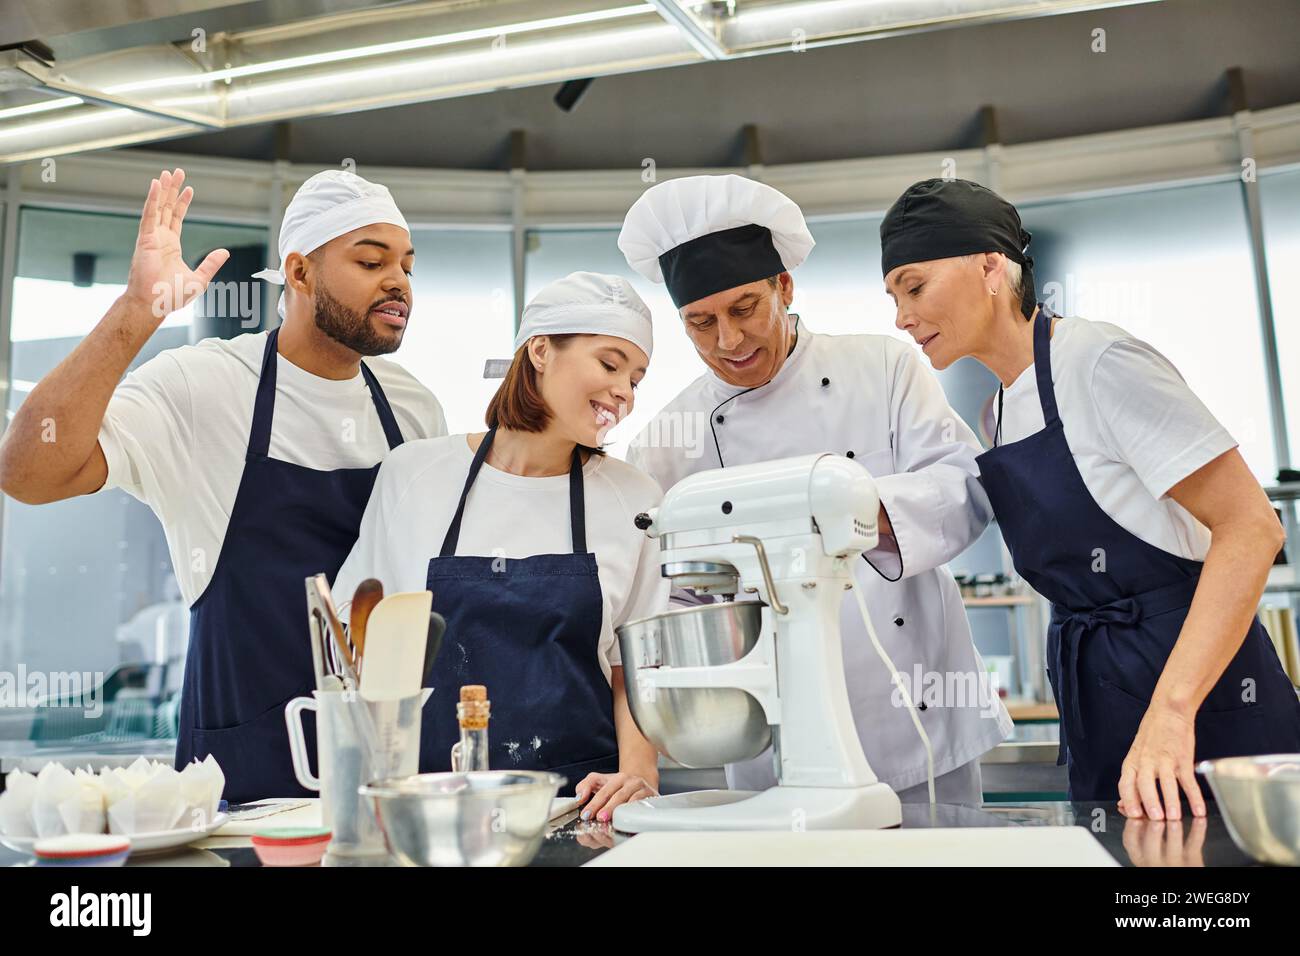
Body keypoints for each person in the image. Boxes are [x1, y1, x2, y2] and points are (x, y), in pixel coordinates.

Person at [0, 168, 447, 802]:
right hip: (242, 793)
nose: (398, 280)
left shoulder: (412, 408)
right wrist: (136, 310)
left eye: (406, 264)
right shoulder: (206, 387)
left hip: (387, 784)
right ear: (299, 273)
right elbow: (27, 472)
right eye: (372, 261)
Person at [879, 176, 1300, 818]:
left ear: (992, 266)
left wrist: (1173, 711)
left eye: (915, 286)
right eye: (893, 297)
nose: (903, 316)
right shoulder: (998, 414)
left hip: (1207, 701)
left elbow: (1253, 528)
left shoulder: (1100, 360)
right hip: (1104, 705)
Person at [618, 174, 1011, 808]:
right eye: (700, 322)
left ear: (784, 287)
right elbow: (662, 595)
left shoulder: (882, 367)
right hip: (773, 744)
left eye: (744, 308)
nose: (728, 341)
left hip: (918, 723)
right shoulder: (666, 442)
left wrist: (851, 512)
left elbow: (966, 486)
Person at [334, 272, 669, 819]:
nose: (624, 393)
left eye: (636, 379)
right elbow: (364, 642)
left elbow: (635, 667)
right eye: (610, 365)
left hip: (582, 808)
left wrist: (638, 773)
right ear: (540, 349)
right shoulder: (415, 474)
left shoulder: (634, 498)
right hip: (435, 804)